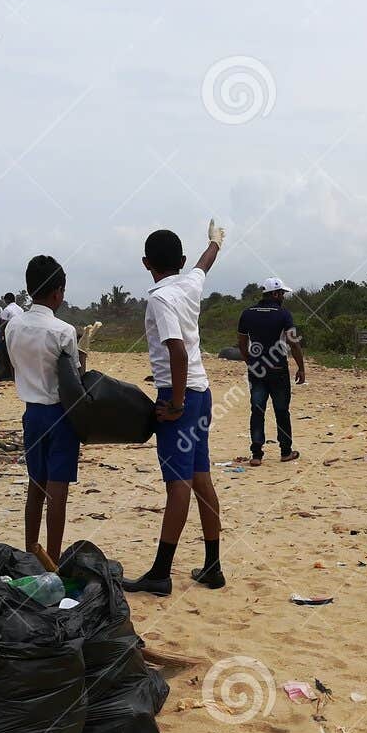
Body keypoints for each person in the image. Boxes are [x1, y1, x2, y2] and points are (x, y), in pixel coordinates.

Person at [124, 220, 225, 595]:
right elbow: (206, 261)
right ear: (180, 260)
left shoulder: (160, 298)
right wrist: (215, 242)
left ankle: (161, 573)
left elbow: (176, 351)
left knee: (178, 485)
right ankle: (212, 566)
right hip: (203, 392)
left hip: (178, 395)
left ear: (146, 262)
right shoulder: (189, 283)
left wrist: (176, 404)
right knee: (201, 478)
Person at [5, 255, 82, 560]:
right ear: (57, 292)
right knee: (58, 489)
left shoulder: (12, 326)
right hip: (60, 414)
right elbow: (73, 377)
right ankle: (52, 557)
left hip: (32, 413)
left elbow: (16, 367)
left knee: (35, 485)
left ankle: (29, 553)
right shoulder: (63, 331)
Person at [237, 276, 304, 465]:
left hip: (257, 369)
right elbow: (293, 342)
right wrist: (301, 367)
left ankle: (257, 454)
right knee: (282, 410)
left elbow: (242, 343)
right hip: (278, 368)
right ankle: (285, 451)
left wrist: (250, 361)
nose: (283, 296)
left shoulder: (247, 313)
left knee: (257, 409)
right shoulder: (283, 314)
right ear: (275, 294)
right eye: (282, 293)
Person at [0, 292, 22, 381]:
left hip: (9, 335)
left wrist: (1, 336)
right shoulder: (20, 309)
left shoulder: (7, 309)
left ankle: (10, 375)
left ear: (6, 300)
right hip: (19, 334)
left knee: (8, 355)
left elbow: (2, 324)